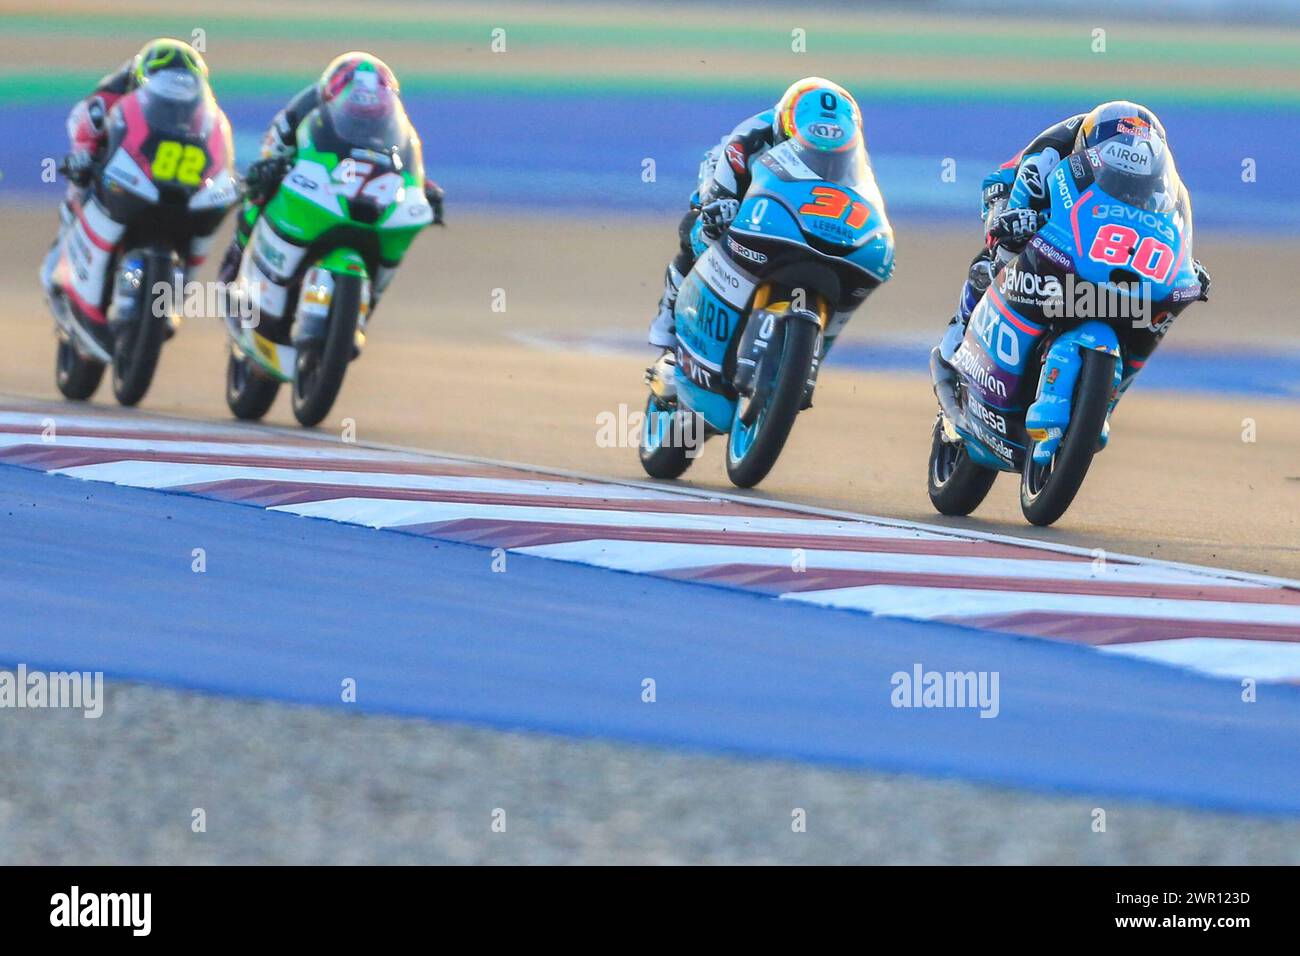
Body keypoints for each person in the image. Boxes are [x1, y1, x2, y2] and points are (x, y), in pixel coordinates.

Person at [937, 100, 1210, 367]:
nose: (1126, 186)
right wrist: (1012, 222)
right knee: (1003, 251)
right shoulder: (1049, 155)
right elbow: (1018, 209)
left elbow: (1164, 224)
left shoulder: (1159, 182)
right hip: (1015, 190)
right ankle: (961, 327)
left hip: (1093, 217)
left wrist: (1183, 264)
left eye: (1133, 181)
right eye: (1117, 177)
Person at [647, 76, 875, 352]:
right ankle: (669, 319)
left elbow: (866, 202)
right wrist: (721, 208)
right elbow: (718, 195)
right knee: (699, 230)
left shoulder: (853, 159)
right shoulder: (747, 141)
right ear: (785, 134)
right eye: (812, 151)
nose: (822, 161)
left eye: (832, 157)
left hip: (802, 210)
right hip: (735, 186)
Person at [215, 52, 445, 316]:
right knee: (256, 195)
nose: (364, 118)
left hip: (360, 190)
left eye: (371, 111)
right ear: (334, 95)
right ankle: (235, 257)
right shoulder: (305, 105)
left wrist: (424, 189)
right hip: (311, 172)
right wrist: (269, 166)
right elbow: (273, 145)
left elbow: (406, 164)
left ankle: (364, 303)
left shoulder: (399, 127)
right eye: (357, 111)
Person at [41, 38, 225, 304]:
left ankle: (177, 291)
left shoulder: (202, 109)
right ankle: (59, 266)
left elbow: (214, 148)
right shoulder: (111, 94)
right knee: (78, 195)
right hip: (114, 168)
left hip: (160, 181)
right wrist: (84, 157)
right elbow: (82, 125)